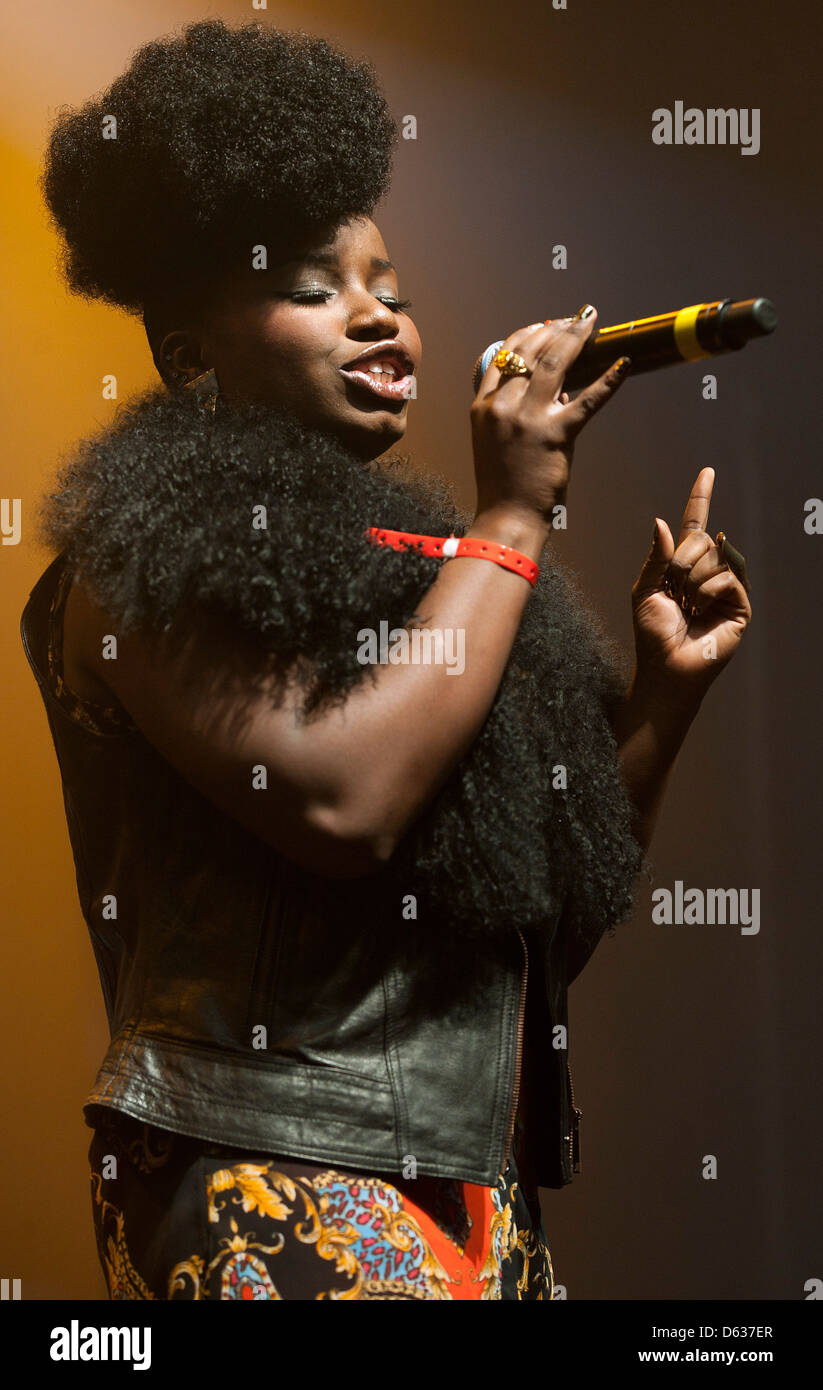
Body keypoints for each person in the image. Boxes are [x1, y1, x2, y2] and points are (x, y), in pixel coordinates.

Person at [21, 19, 751, 1301]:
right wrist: (513, 520)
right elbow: (341, 802)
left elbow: (544, 921)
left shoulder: (435, 581)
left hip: (473, 1191)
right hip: (261, 1174)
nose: (382, 317)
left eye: (393, 290)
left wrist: (665, 698)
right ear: (191, 355)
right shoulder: (138, 556)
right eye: (315, 288)